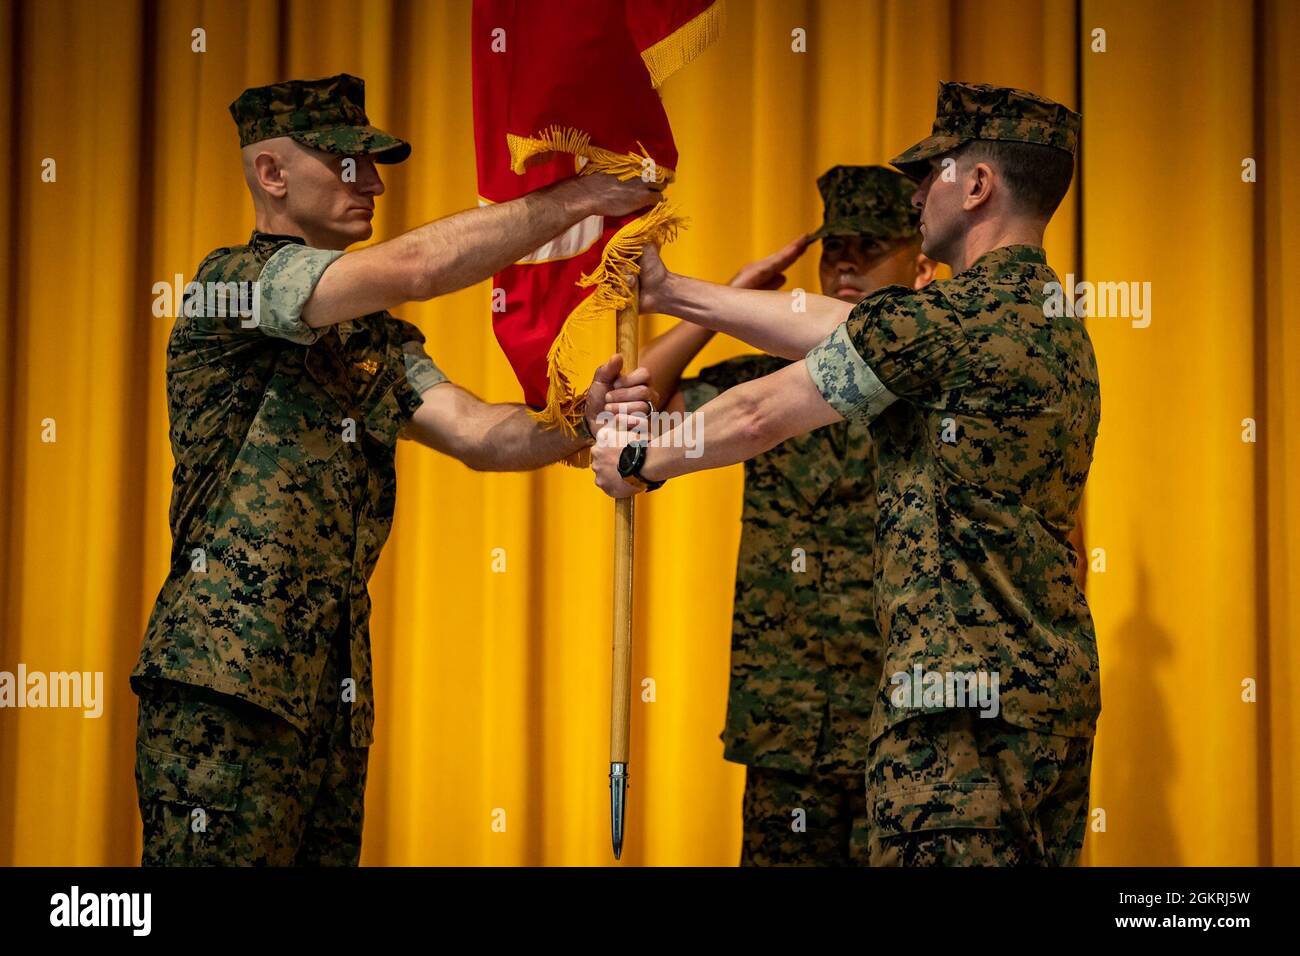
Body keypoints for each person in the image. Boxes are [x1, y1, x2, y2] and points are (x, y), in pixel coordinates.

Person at [131, 73, 659, 865]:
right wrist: (581, 197)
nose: (372, 182)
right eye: (346, 162)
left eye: (373, 163)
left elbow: (478, 432)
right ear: (271, 175)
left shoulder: (368, 335)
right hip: (225, 685)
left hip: (326, 697)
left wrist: (576, 421)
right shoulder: (230, 285)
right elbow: (415, 267)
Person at [594, 82, 1100, 866]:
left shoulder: (948, 323)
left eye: (936, 172)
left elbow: (761, 413)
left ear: (976, 185)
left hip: (954, 729)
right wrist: (677, 293)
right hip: (1045, 710)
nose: (921, 195)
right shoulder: (1049, 320)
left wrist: (639, 458)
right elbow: (852, 326)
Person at [637, 166, 933, 865]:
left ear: (922, 267)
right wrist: (728, 300)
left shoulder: (947, 374)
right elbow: (636, 409)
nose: (848, 261)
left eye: (871, 245)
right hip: (788, 721)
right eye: (836, 248)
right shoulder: (766, 382)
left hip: (908, 727)